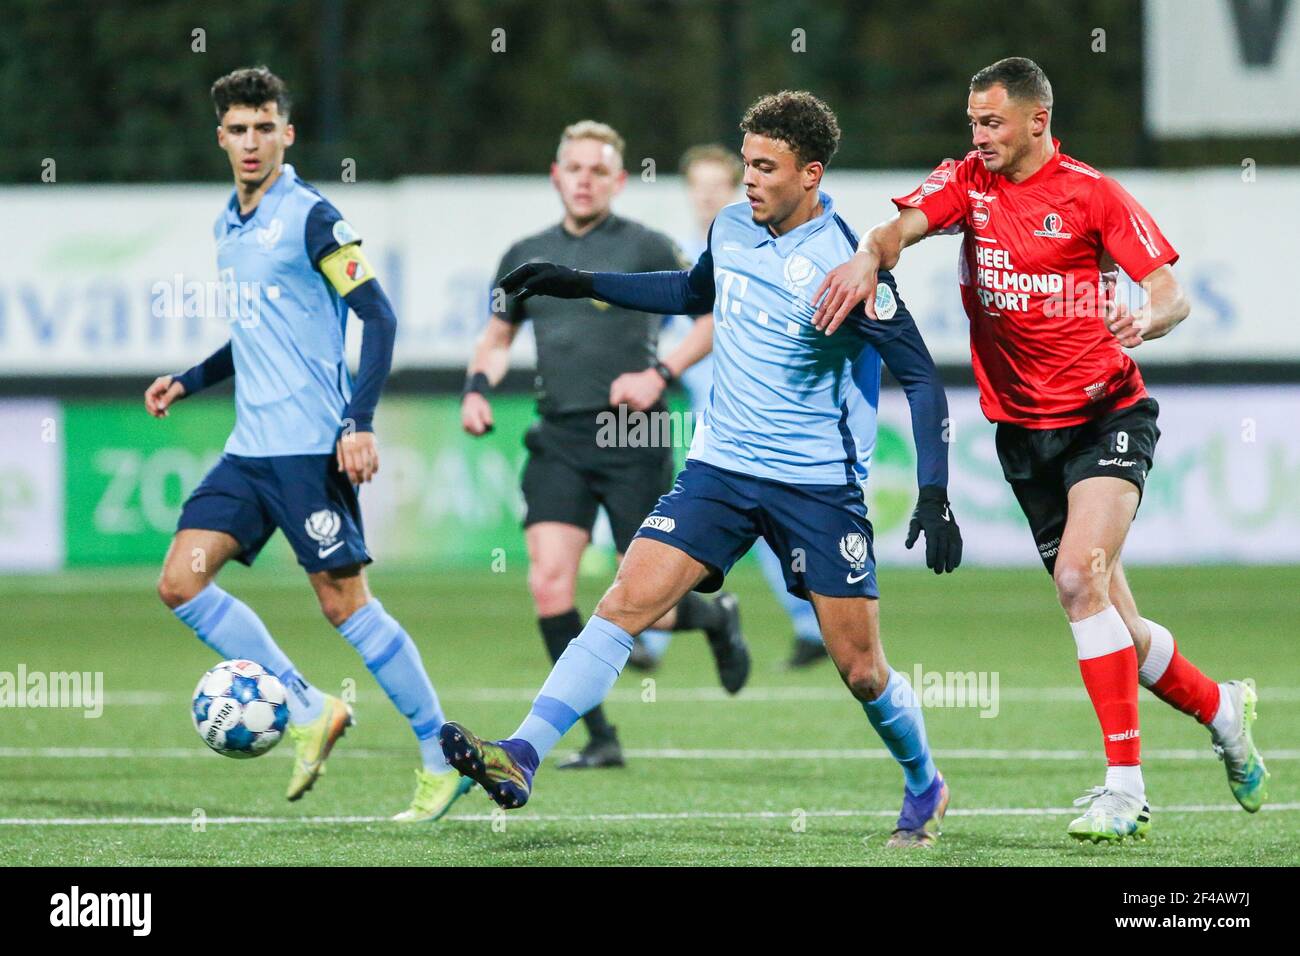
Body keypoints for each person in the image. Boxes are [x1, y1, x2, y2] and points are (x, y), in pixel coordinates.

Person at [443, 91, 964, 848]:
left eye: (765, 167)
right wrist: (583, 282)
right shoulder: (732, 226)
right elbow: (693, 291)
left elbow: (920, 379)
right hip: (719, 470)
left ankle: (925, 781)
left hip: (816, 486)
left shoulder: (847, 265)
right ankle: (522, 753)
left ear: (810, 174)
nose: (746, 180)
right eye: (745, 160)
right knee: (625, 602)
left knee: (860, 670)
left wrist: (934, 489)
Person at [812, 57, 1268, 843]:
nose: (977, 136)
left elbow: (1169, 290)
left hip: (1108, 416)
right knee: (1112, 614)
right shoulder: (969, 183)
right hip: (1025, 437)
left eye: (990, 122)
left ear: (1036, 119)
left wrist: (1149, 320)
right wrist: (868, 254)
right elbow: (901, 228)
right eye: (972, 123)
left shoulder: (1091, 193)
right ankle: (1222, 711)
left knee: (1076, 579)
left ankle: (1125, 790)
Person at [146, 66, 470, 823]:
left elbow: (379, 317)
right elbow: (256, 330)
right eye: (237, 129)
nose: (251, 142)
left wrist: (357, 423)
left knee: (345, 607)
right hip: (248, 452)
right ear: (220, 136)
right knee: (180, 582)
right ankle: (306, 706)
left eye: (265, 127)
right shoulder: (227, 222)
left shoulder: (314, 217)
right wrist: (188, 380)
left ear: (286, 133)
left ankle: (437, 753)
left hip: (308, 452)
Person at [460, 120, 750, 771]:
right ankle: (599, 736)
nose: (584, 179)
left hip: (634, 438)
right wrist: (478, 386)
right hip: (559, 435)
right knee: (549, 583)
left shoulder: (647, 243)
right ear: (556, 175)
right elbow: (497, 335)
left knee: (643, 602)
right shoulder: (525, 252)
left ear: (618, 180)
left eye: (598, 170)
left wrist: (660, 374)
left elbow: (710, 320)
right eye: (574, 168)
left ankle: (711, 617)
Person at [629, 144, 830, 673]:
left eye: (718, 186)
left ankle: (813, 625)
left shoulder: (756, 247)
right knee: (680, 522)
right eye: (698, 188)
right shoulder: (683, 255)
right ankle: (655, 633)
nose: (707, 197)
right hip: (701, 415)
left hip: (758, 415)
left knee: (760, 526)